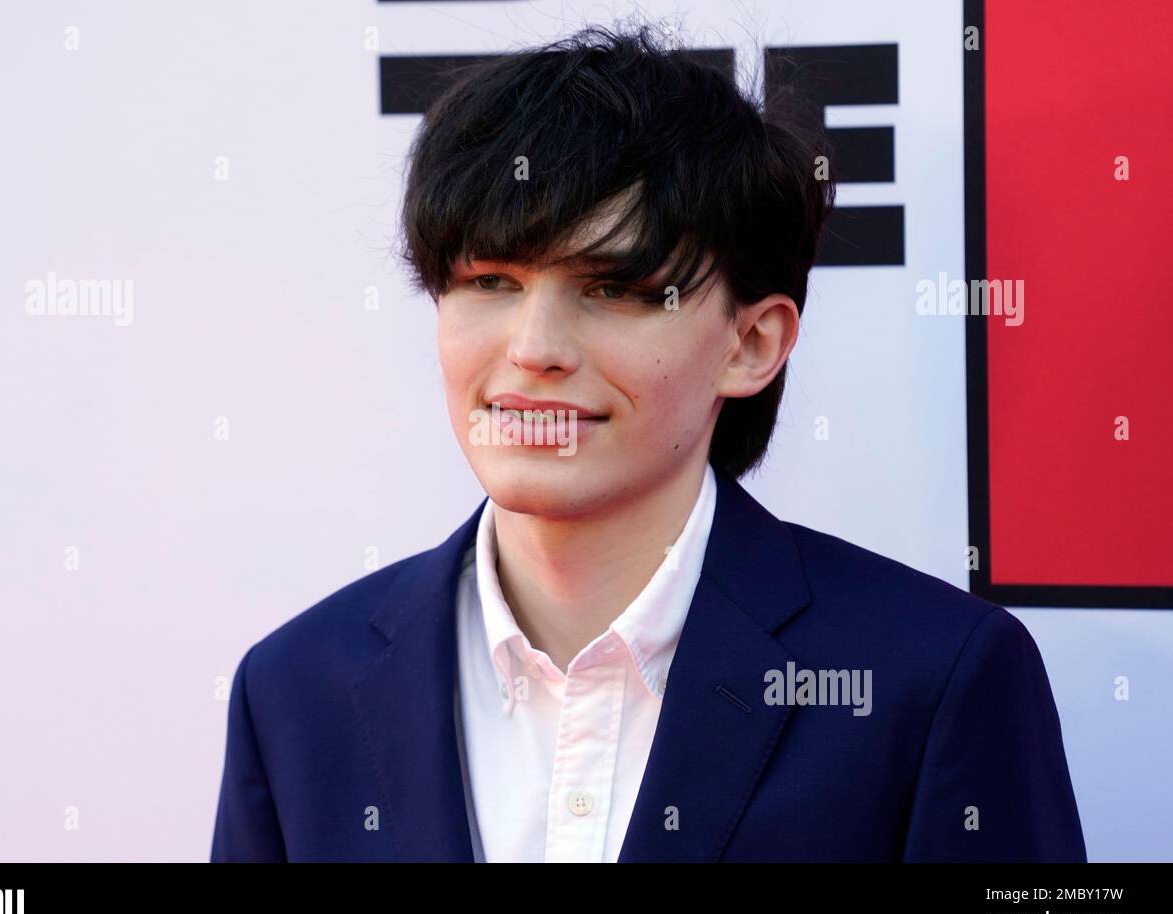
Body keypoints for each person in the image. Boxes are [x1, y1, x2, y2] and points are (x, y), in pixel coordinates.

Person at [211, 24, 1086, 862]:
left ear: (751, 345)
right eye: (490, 282)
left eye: (616, 290)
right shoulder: (297, 691)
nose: (533, 348)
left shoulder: (929, 681)